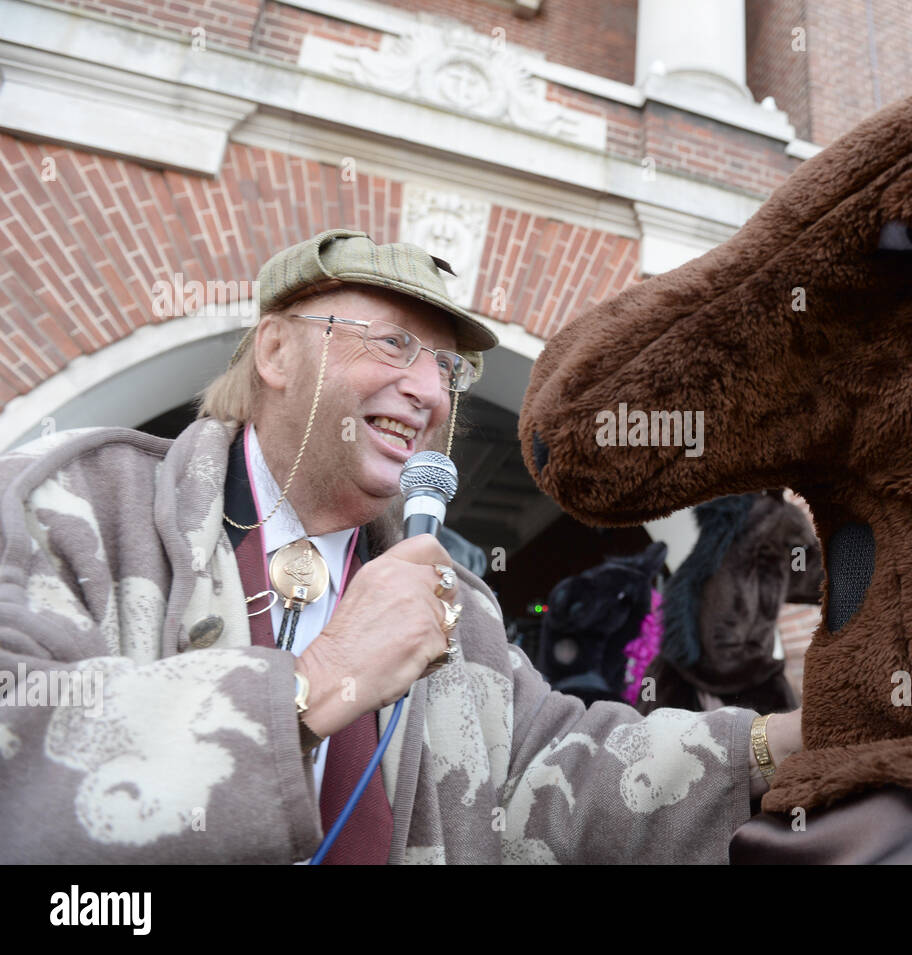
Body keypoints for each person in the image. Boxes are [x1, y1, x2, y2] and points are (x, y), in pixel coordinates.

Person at [0, 228, 801, 864]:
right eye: (391, 344)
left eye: (448, 366)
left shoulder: (462, 602)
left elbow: (558, 770)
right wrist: (314, 685)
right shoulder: (78, 502)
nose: (430, 390)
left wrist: (788, 742)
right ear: (276, 351)